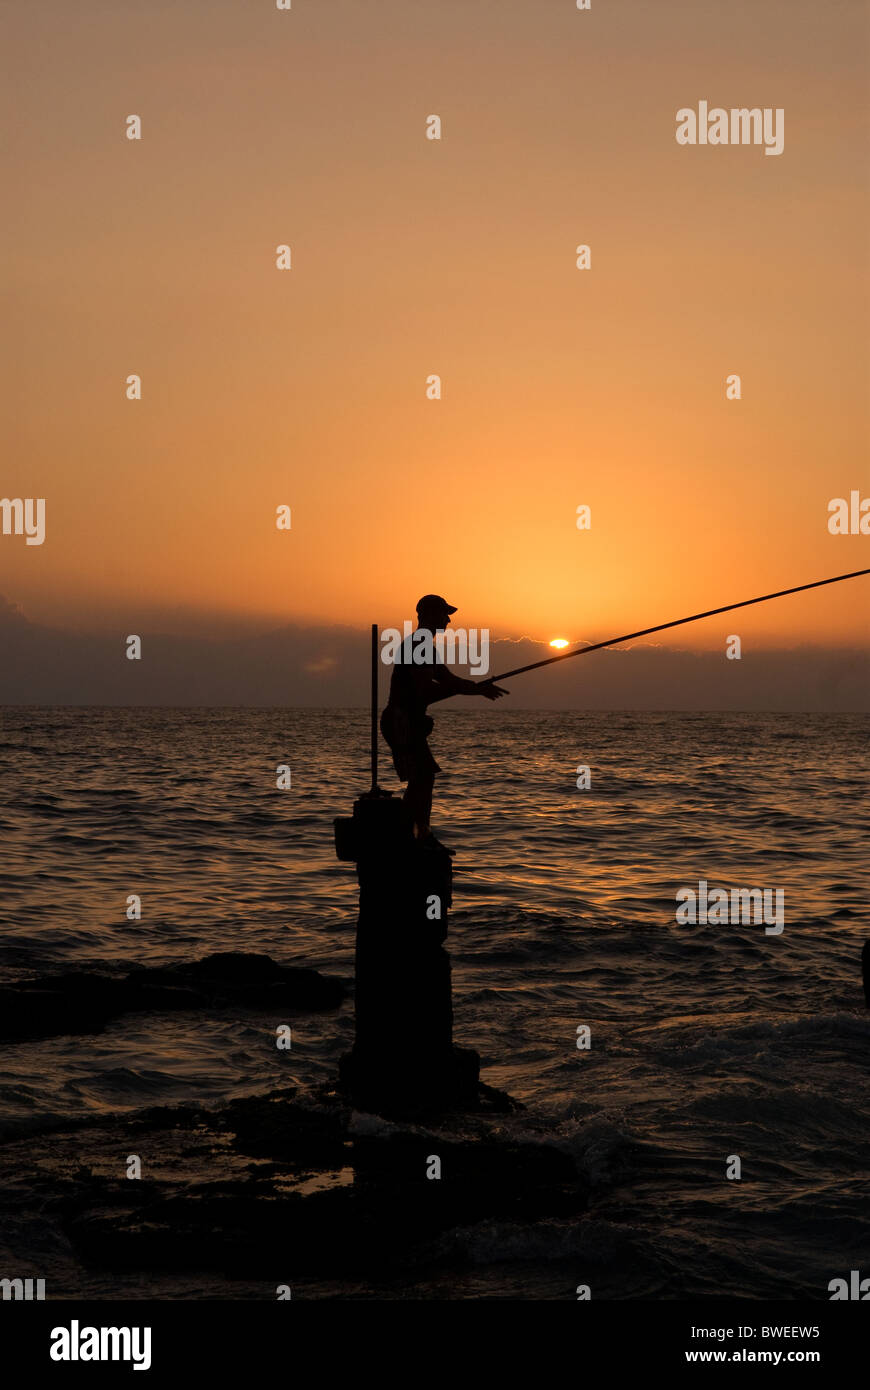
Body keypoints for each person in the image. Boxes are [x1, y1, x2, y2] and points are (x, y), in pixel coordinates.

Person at [380, 594, 508, 840]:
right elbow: (425, 690)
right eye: (444, 613)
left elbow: (448, 680)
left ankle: (415, 833)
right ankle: (416, 835)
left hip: (406, 721)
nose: (448, 620)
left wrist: (477, 688)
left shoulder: (424, 645)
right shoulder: (419, 645)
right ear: (428, 615)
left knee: (422, 778)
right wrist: (466, 688)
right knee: (422, 777)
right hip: (401, 721)